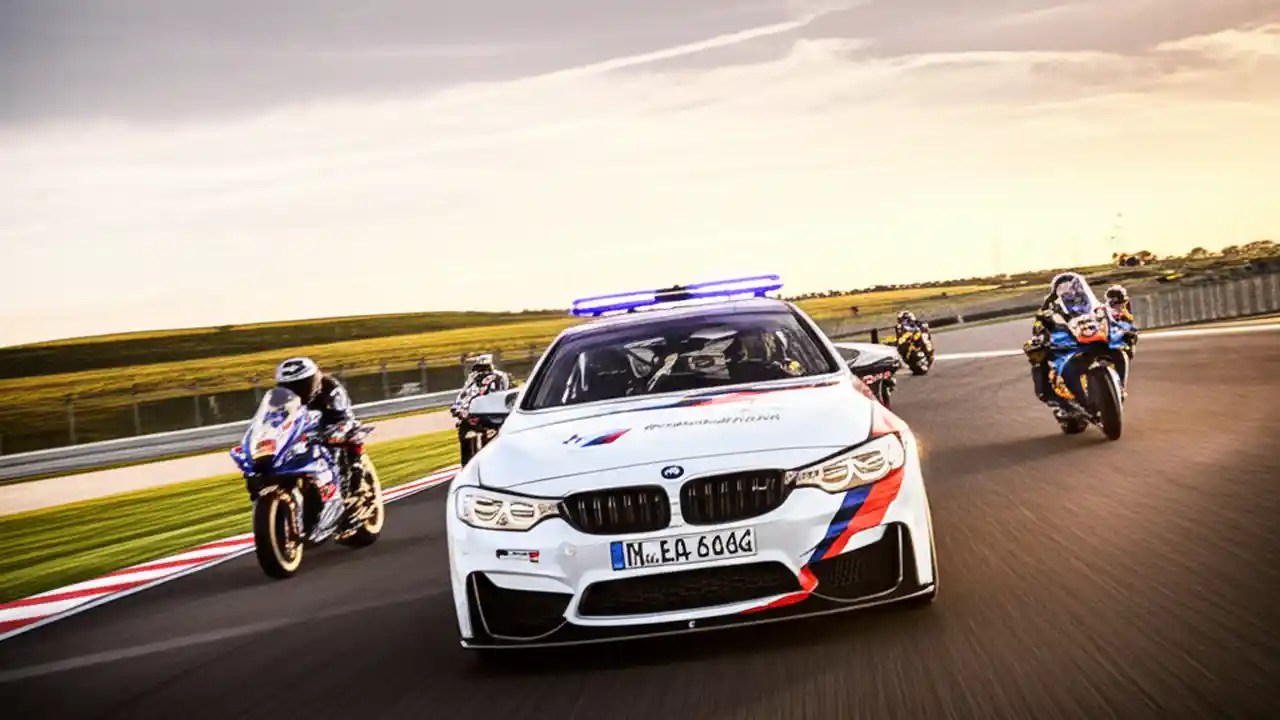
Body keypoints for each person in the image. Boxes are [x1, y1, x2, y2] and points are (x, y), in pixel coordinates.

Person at [274, 357, 361, 502]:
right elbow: (273, 419)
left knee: (348, 432)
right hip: (303, 427)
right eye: (289, 387)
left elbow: (343, 418)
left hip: (330, 420)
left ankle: (356, 466)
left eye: (300, 385)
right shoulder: (280, 398)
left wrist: (332, 432)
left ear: (313, 380)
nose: (295, 390)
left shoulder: (330, 388)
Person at [450, 354, 513, 465]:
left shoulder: (499, 377)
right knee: (465, 431)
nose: (481, 372)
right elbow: (464, 393)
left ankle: (491, 460)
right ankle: (470, 463)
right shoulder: (474, 378)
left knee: (492, 437)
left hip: (493, 415)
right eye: (479, 368)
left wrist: (458, 408)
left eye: (483, 368)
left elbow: (505, 394)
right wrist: (457, 408)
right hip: (478, 414)